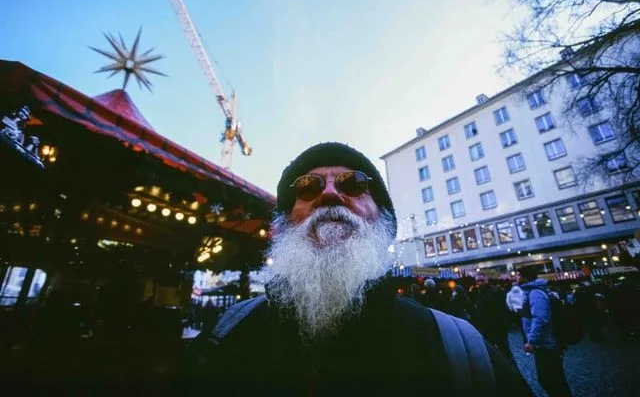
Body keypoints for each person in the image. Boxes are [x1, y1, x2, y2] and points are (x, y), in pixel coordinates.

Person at [180, 142, 531, 396]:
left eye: (353, 184)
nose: (330, 194)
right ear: (284, 224)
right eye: (307, 186)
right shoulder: (227, 333)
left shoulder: (461, 349)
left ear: (384, 222)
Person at [517, 265, 573, 397]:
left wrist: (531, 341)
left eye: (518, 275)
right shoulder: (530, 292)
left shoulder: (535, 293)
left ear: (525, 277)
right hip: (543, 344)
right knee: (550, 380)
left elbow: (540, 318)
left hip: (547, 344)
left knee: (552, 380)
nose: (515, 277)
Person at [473, 274, 514, 362]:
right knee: (492, 352)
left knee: (504, 350)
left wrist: (503, 326)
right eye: (478, 281)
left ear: (486, 280)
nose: (480, 283)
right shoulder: (479, 292)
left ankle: (512, 370)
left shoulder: (495, 292)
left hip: (497, 327)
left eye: (482, 280)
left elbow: (502, 310)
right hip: (487, 328)